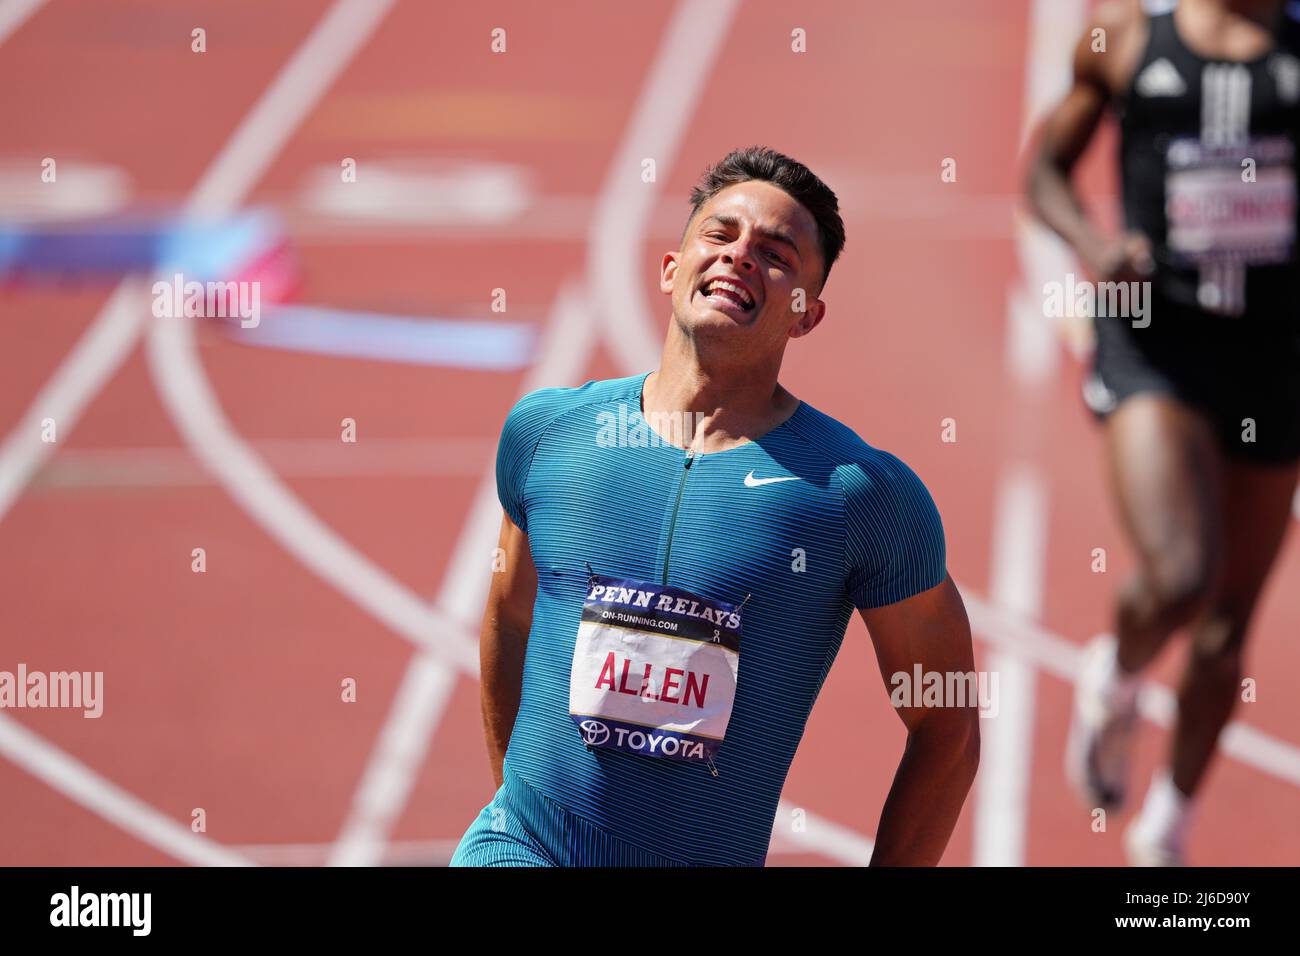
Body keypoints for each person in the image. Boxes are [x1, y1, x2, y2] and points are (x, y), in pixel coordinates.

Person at [450, 145, 979, 867]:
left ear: (806, 315)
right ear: (672, 268)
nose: (739, 257)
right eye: (720, 235)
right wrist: (516, 813)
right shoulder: (550, 432)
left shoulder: (860, 493)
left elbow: (944, 719)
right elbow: (509, 615)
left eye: (776, 254)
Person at [1027, 0, 1300, 865]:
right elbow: (1044, 171)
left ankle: (1167, 827)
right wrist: (1089, 242)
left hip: (1276, 356)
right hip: (1155, 339)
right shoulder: (1127, 36)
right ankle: (1116, 676)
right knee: (1182, 575)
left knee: (1226, 633)